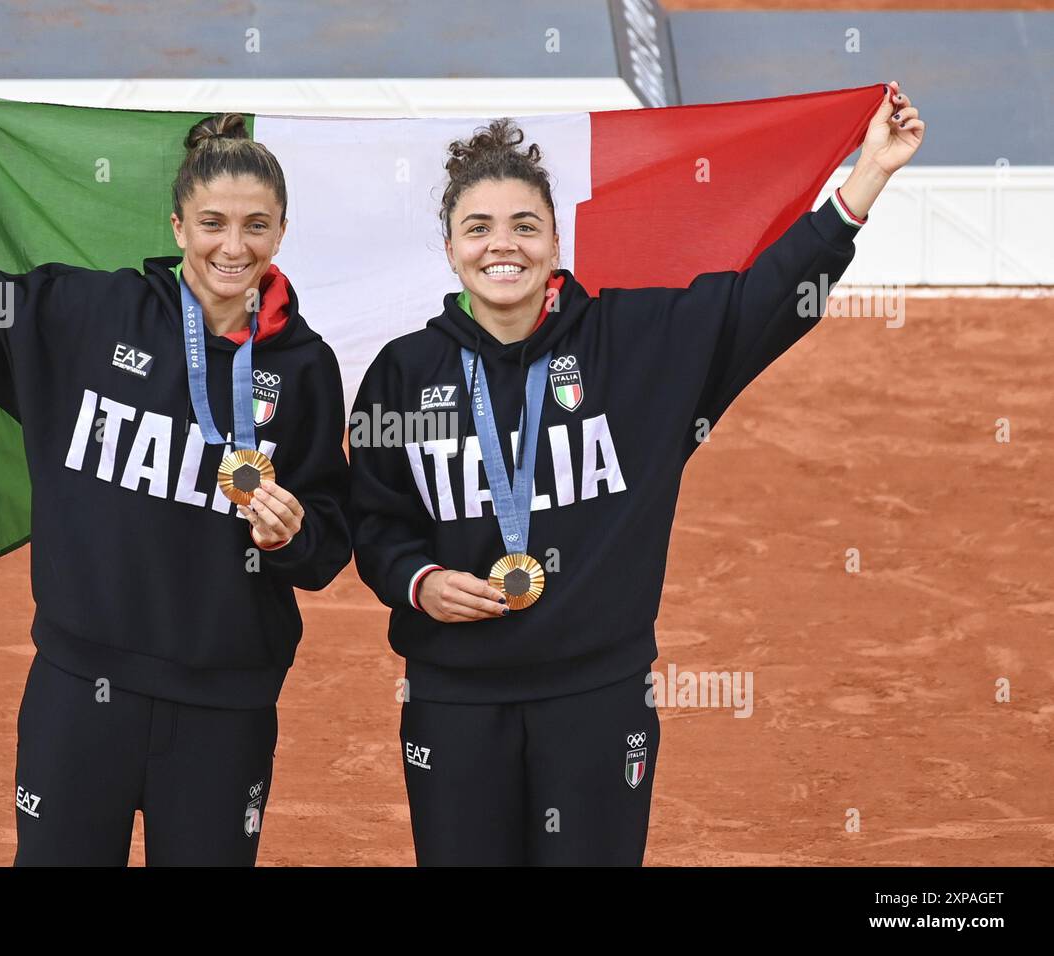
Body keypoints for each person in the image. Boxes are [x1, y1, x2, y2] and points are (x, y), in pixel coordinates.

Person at [349, 82, 924, 865]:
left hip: (597, 696)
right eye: (477, 228)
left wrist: (867, 178)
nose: (502, 245)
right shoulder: (405, 374)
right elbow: (376, 521)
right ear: (450, 248)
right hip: (453, 698)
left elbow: (765, 302)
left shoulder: (635, 345)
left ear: (555, 241)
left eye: (525, 225)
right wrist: (419, 581)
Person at [0, 76, 352, 865]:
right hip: (78, 689)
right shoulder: (86, 316)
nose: (232, 247)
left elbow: (328, 547)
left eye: (254, 226)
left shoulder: (304, 368)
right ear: (176, 224)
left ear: (280, 231)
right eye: (212, 224)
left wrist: (293, 536)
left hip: (225, 707)